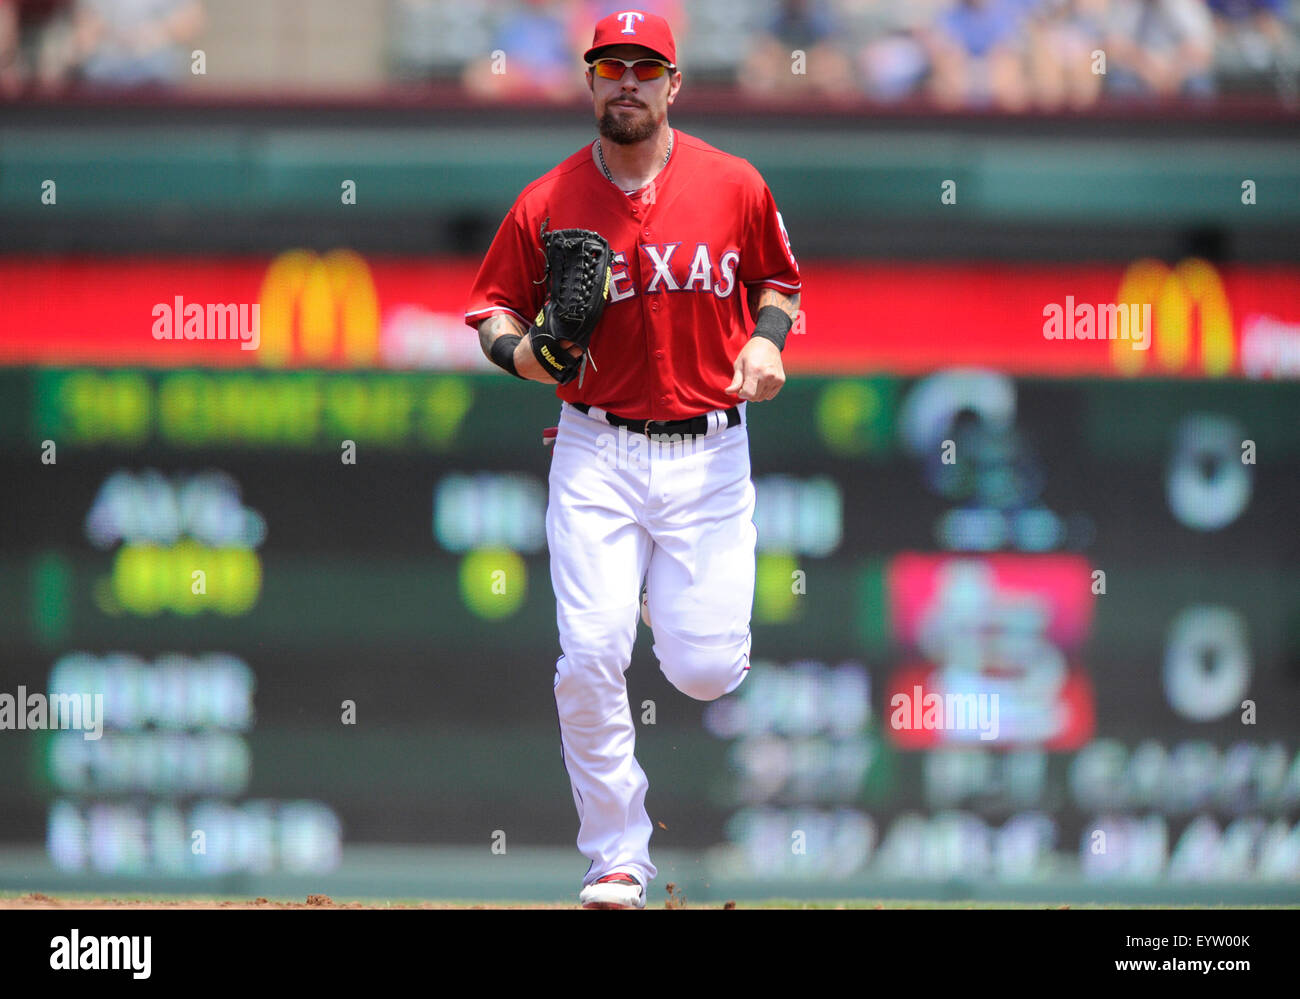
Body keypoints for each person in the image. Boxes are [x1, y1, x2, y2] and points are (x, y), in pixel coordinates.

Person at [463, 9, 801, 909]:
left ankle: (659, 596)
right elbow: (492, 310)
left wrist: (768, 342)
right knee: (588, 654)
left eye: (644, 68)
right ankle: (617, 855)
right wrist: (524, 355)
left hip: (710, 453)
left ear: (673, 84)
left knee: (703, 667)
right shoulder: (548, 199)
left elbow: (779, 281)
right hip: (596, 447)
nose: (627, 82)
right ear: (590, 82)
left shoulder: (733, 184)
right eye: (610, 67)